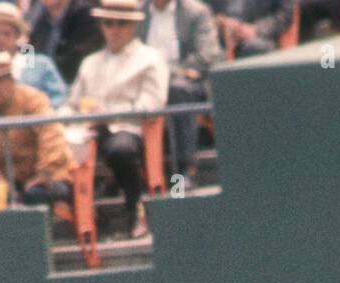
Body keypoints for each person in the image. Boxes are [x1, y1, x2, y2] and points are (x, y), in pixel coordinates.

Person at [67, 0, 165, 239]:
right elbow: (72, 104)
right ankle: (82, 217)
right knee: (58, 145)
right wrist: (72, 117)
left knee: (120, 148)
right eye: (108, 23)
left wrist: (109, 112)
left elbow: (152, 104)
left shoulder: (149, 58)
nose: (114, 29)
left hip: (129, 127)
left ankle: (136, 209)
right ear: (101, 26)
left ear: (133, 26)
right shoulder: (90, 62)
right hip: (89, 130)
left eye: (121, 23)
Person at [0, 52, 73, 207]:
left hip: (50, 176)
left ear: (11, 80)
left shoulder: (34, 100)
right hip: (10, 182)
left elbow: (51, 135)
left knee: (35, 194)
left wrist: (45, 172)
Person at [139, 0, 215, 189]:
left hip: (186, 85)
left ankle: (183, 174)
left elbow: (207, 55)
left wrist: (167, 74)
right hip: (144, 85)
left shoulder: (196, 12)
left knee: (176, 90)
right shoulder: (137, 15)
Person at [0, 2, 65, 108]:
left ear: (17, 36)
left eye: (7, 34)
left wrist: (34, 109)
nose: (1, 39)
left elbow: (59, 98)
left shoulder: (41, 64)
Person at [26, 0, 100, 84]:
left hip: (72, 84)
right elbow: (29, 54)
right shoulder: (38, 17)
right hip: (40, 84)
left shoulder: (86, 15)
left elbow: (76, 62)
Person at [206, 0, 291, 58]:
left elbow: (285, 15)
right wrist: (217, 23)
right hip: (216, 37)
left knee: (254, 48)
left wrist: (256, 29)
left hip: (256, 37)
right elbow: (197, 10)